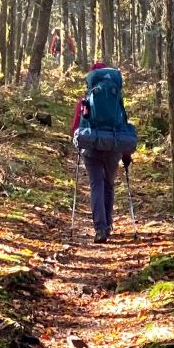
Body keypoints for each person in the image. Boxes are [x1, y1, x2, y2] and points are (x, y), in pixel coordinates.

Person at [71, 58, 132, 243]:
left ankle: (100, 228)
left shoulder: (85, 100)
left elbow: (75, 128)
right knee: (109, 185)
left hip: (91, 147)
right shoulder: (116, 100)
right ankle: (108, 224)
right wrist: (126, 155)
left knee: (96, 184)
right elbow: (123, 126)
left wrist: (78, 142)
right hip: (113, 147)